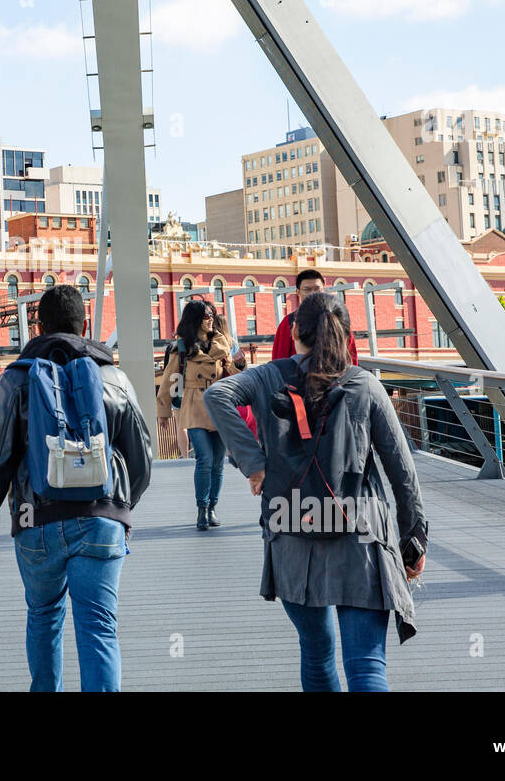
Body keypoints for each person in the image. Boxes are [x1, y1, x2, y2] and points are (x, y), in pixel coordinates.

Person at [204, 292, 428, 692]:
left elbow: (217, 394)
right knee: (366, 668)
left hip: (292, 532)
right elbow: (403, 475)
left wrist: (253, 464)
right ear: (346, 337)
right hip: (360, 538)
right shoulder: (365, 386)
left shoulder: (269, 376)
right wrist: (413, 539)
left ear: (294, 333)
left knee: (317, 654)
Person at [0, 284, 153, 692]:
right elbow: (141, 458)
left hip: (37, 521)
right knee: (98, 626)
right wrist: (118, 506)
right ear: (85, 325)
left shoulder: (16, 381)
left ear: (38, 325)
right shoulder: (113, 377)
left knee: (44, 615)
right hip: (102, 519)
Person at [156, 299, 236, 531]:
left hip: (219, 406)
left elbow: (231, 373)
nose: (210, 319)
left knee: (218, 462)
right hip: (193, 405)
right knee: (205, 459)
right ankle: (201, 510)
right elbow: (171, 378)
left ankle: (212, 508)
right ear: (195, 320)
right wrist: (163, 411)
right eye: (205, 316)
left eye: (212, 315)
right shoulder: (181, 348)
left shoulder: (222, 345)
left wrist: (239, 366)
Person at [271, 269, 359, 365]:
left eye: (317, 289)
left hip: (336, 377)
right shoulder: (289, 322)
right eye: (307, 290)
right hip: (298, 377)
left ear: (324, 290)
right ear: (298, 292)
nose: (313, 293)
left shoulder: (337, 318)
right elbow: (279, 360)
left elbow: (351, 355)